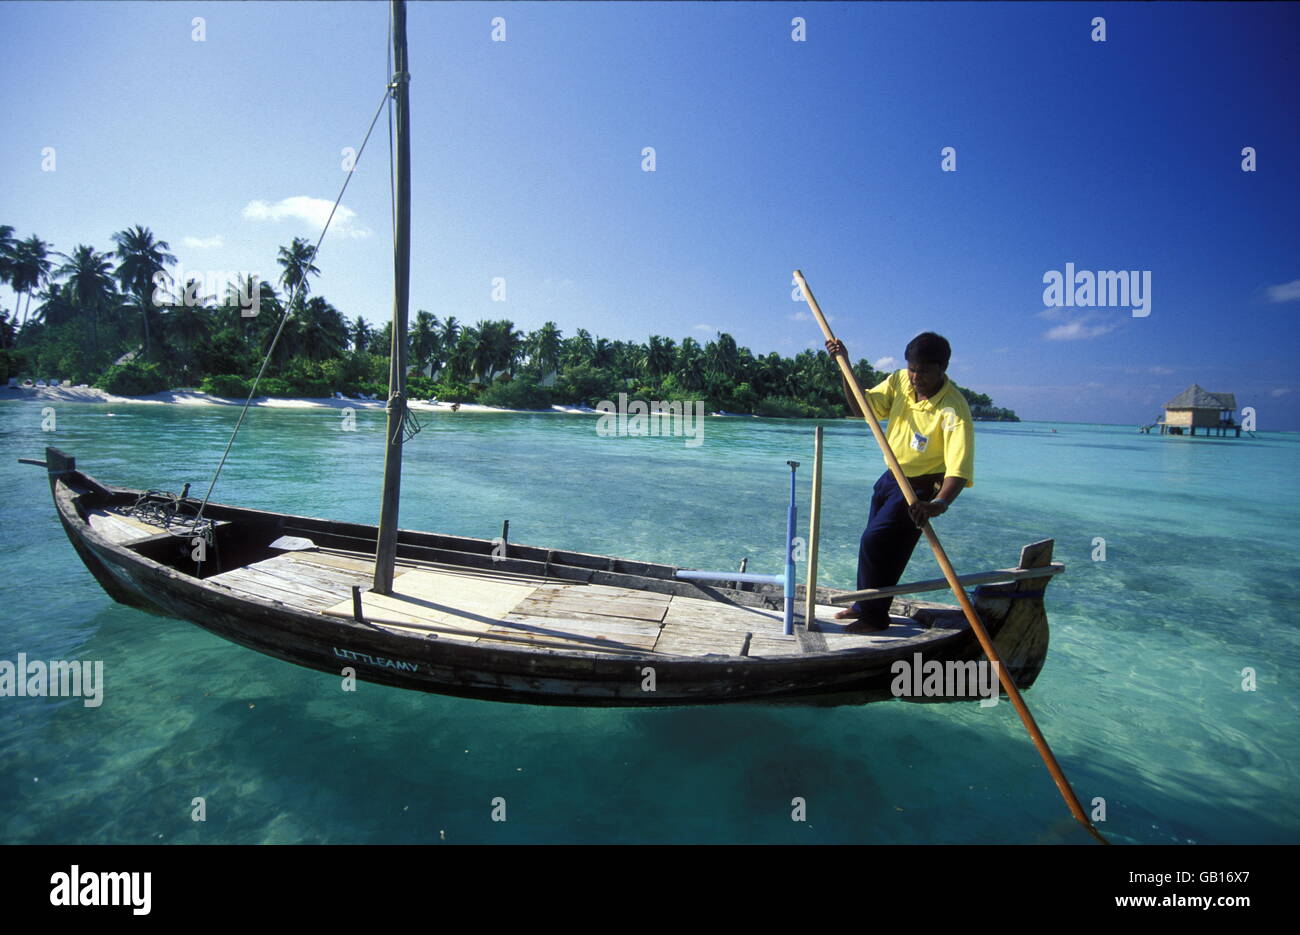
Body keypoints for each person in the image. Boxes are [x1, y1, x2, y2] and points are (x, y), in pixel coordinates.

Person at [825, 332, 974, 633]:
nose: (916, 377)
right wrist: (845, 366)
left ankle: (875, 617)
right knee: (873, 542)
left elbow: (958, 469)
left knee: (878, 541)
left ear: (943, 368)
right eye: (912, 368)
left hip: (922, 485)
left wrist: (938, 504)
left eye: (925, 371)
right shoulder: (898, 382)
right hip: (891, 476)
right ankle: (864, 603)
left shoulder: (954, 409)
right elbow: (861, 409)